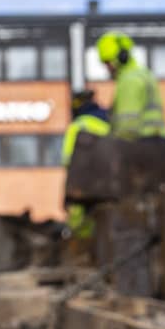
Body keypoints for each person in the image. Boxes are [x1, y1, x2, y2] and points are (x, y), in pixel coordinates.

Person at [96, 31, 165, 143]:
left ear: (121, 58)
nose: (107, 68)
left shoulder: (129, 80)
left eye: (108, 62)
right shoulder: (144, 74)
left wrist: (111, 144)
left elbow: (128, 127)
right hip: (156, 143)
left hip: (142, 145)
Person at [59, 89, 110, 238]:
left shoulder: (78, 126)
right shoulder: (109, 123)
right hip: (108, 183)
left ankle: (77, 244)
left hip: (83, 183)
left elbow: (67, 159)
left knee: (78, 217)